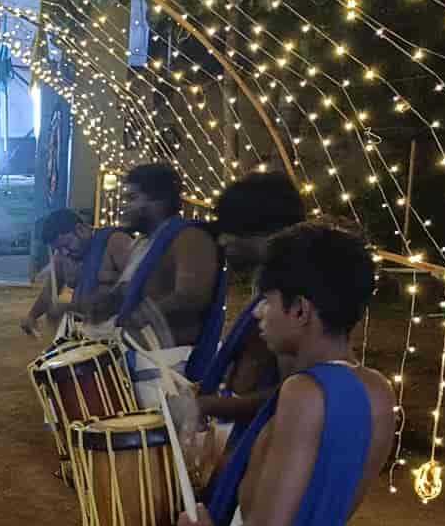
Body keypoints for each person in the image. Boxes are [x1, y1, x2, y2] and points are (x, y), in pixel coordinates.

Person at [173, 221, 394, 526]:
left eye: (266, 301)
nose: (257, 316)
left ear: (301, 310)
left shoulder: (303, 393)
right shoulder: (378, 390)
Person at [178, 172, 307, 483]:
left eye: (233, 231)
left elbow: (294, 394)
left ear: (267, 232)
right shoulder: (268, 284)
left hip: (263, 459)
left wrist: (210, 405)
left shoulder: (293, 295)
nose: (222, 241)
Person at [80, 163, 225, 408]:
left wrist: (137, 316)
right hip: (143, 359)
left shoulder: (189, 237)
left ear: (159, 200)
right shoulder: (144, 244)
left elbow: (191, 296)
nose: (124, 205)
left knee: (172, 443)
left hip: (174, 365)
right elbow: (127, 293)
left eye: (132, 197)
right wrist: (84, 308)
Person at [21, 209, 134, 342]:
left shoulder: (115, 242)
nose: (65, 252)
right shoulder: (63, 256)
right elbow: (50, 290)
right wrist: (32, 315)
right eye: (59, 249)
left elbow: (136, 288)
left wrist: (70, 307)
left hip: (117, 334)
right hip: (82, 331)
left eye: (67, 245)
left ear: (80, 229)